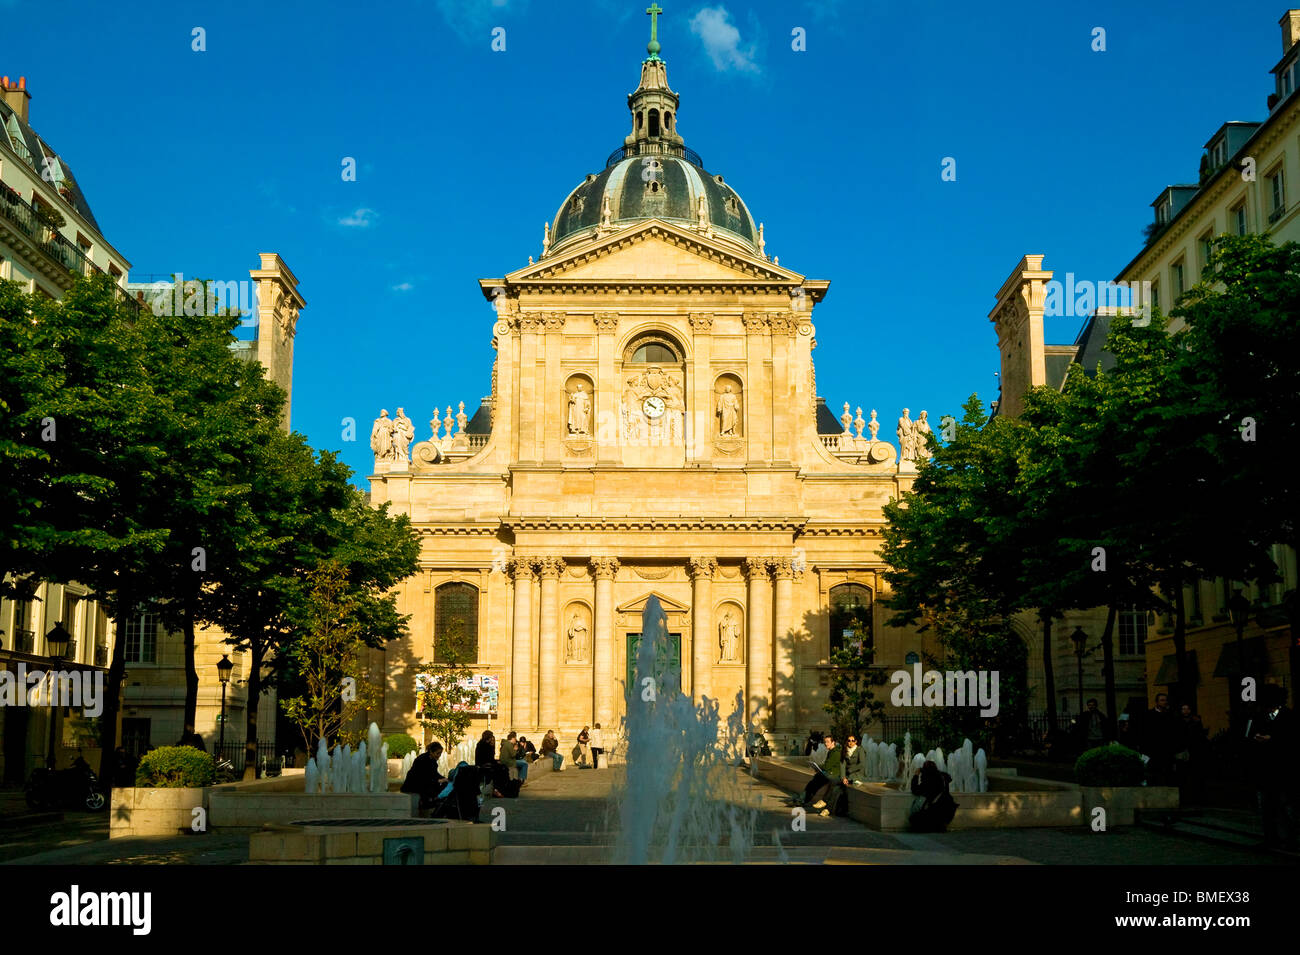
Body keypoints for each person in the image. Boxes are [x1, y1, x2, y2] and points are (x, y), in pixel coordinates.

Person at [1249, 683, 1297, 851]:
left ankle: (1292, 840)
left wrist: (1272, 739)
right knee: (1267, 808)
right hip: (1265, 770)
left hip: (1284, 770)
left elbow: (1292, 741)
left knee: (1287, 806)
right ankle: (1271, 839)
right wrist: (1256, 738)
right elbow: (1250, 737)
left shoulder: (1288, 716)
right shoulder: (1260, 716)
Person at [1141, 693, 1181, 786]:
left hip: (1167, 749)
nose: (1164, 702)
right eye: (1162, 700)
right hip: (1153, 749)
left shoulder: (1170, 715)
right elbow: (1145, 732)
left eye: (1165, 700)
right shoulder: (1149, 715)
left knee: (1167, 773)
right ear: (1157, 702)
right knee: (1154, 774)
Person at [909, 760, 958, 832]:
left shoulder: (929, 779)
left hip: (934, 812)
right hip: (947, 812)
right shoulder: (942, 777)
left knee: (913, 818)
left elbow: (915, 790)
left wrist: (916, 775)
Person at [401, 742, 445, 814]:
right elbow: (423, 777)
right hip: (413, 784)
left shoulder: (433, 760)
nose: (439, 756)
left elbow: (435, 774)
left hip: (422, 782)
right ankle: (426, 804)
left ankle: (431, 803)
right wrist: (438, 780)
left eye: (440, 753)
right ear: (431, 752)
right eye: (438, 753)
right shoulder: (422, 760)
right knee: (432, 787)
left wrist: (444, 778)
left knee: (441, 785)